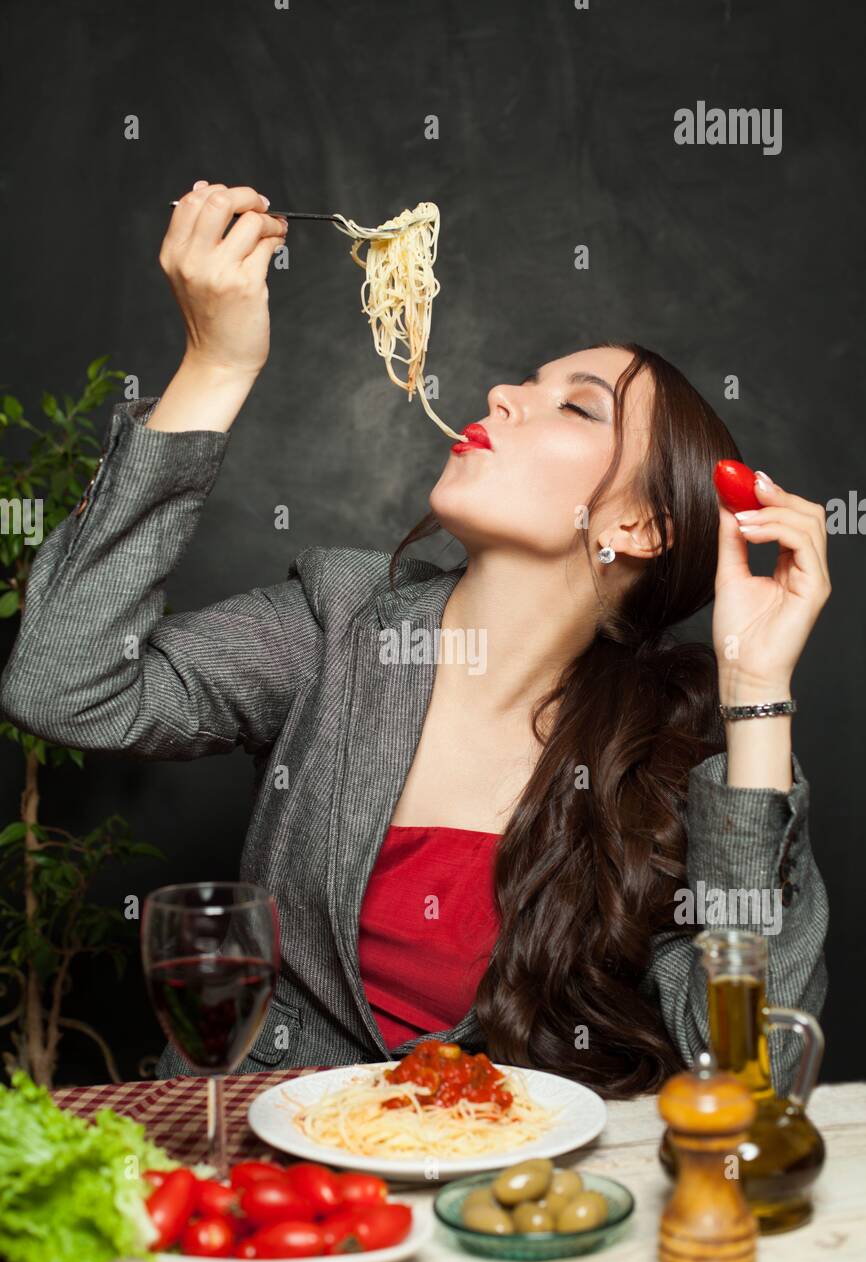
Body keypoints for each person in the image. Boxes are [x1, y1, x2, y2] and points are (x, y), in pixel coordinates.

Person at [0, 182, 831, 1098]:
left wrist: (756, 694)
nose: (505, 393)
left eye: (576, 406)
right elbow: (61, 684)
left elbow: (757, 1072)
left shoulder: (672, 750)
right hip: (276, 1194)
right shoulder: (335, 623)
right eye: (529, 379)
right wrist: (215, 365)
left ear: (638, 527)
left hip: (516, 1216)